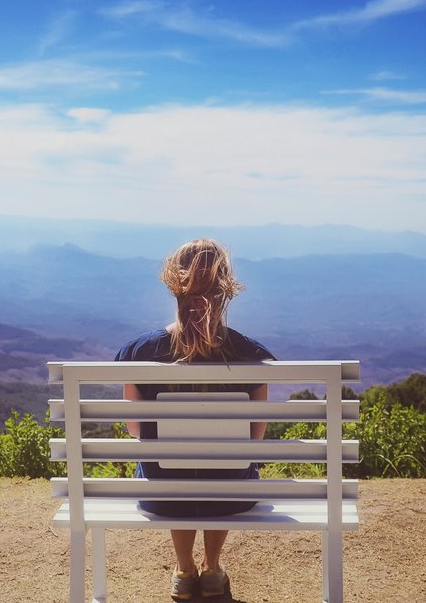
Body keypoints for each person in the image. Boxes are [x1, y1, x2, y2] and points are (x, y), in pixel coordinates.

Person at [114, 238, 275, 601]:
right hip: (230, 493)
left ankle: (184, 570)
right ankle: (212, 569)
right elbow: (256, 437)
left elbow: (134, 428)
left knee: (168, 468)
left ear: (175, 287)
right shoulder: (251, 356)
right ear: (225, 291)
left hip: (163, 492)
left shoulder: (138, 353)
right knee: (232, 467)